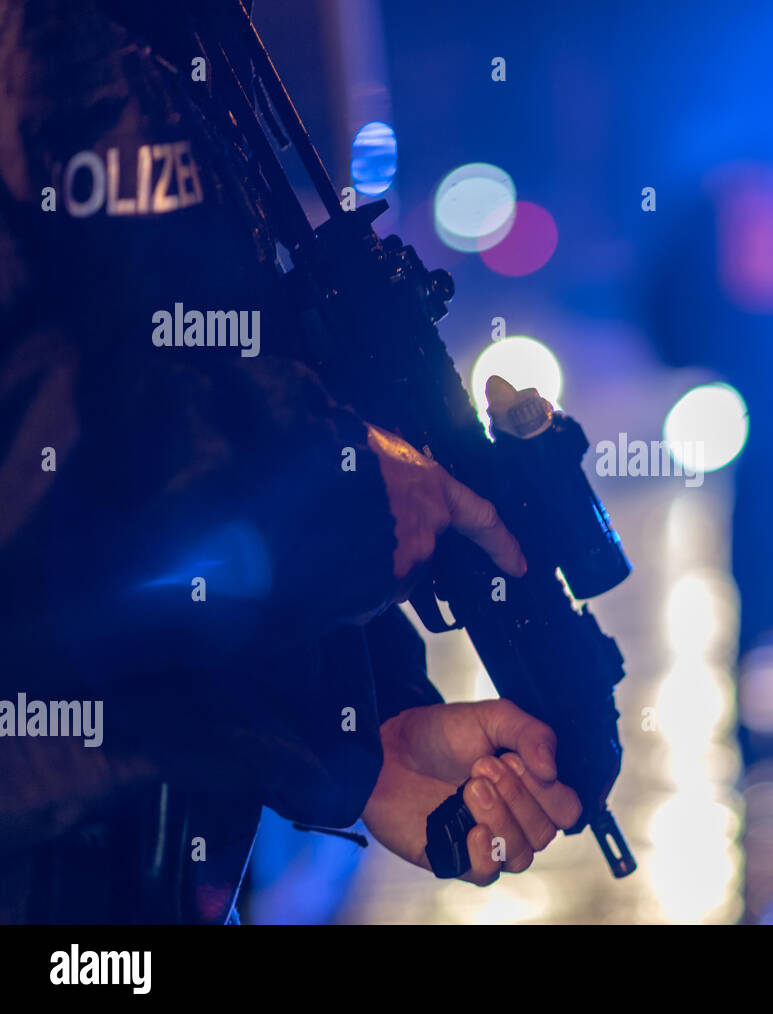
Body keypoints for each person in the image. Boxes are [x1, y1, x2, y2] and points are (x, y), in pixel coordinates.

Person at [0, 0, 579, 923]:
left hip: (130, 847)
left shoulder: (141, 34)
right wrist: (346, 485)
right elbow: (57, 453)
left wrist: (364, 739)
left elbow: (148, 563)